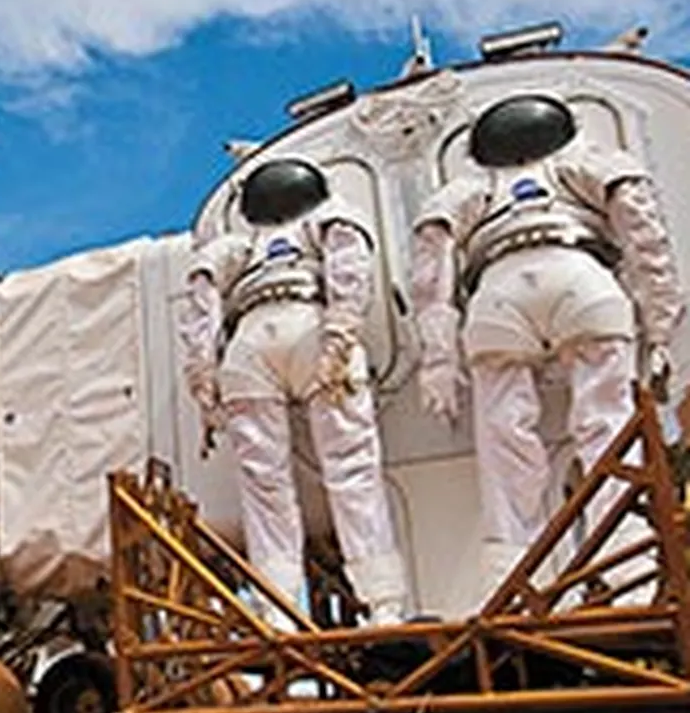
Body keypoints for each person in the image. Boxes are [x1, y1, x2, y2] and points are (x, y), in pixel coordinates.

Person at [410, 92, 683, 603]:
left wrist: (438, 358)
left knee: (504, 441)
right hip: (583, 278)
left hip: (498, 295)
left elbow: (431, 270)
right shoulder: (590, 162)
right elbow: (643, 233)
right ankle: (628, 575)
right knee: (606, 428)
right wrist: (661, 325)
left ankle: (515, 581)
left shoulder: (465, 191)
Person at [181, 157, 409, 628]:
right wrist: (341, 336)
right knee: (352, 471)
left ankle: (278, 611)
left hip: (250, 344)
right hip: (310, 324)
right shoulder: (329, 220)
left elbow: (201, 304)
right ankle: (383, 602)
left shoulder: (233, 247)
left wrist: (204, 379)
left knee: (265, 489)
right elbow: (350, 272)